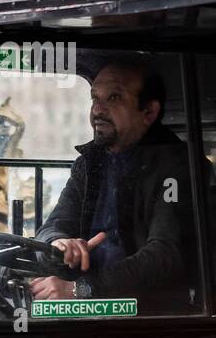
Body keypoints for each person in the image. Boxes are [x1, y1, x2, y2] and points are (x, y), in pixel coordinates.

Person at [31, 58, 194, 313]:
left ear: (149, 112)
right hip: (93, 306)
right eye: (95, 98)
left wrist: (80, 290)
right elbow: (52, 226)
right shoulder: (89, 163)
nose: (97, 110)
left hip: (146, 316)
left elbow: (166, 255)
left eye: (114, 98)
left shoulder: (178, 168)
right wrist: (59, 243)